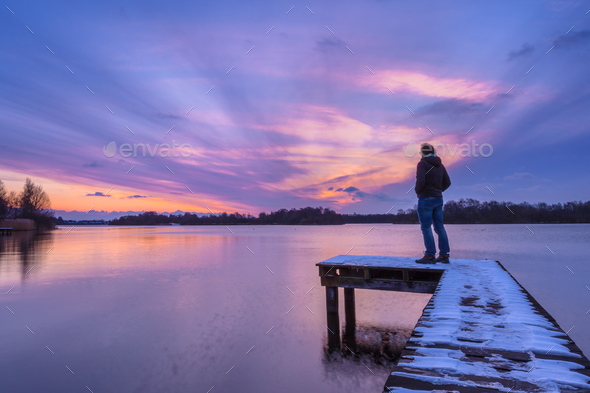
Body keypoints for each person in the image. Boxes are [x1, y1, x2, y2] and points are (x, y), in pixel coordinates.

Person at [414, 143, 451, 264]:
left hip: (426, 198)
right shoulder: (440, 165)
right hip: (438, 198)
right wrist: (438, 191)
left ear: (422, 152)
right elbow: (447, 182)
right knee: (440, 227)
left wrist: (419, 191)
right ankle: (444, 255)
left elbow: (420, 180)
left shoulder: (422, 163)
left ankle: (430, 255)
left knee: (426, 227)